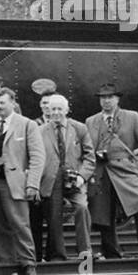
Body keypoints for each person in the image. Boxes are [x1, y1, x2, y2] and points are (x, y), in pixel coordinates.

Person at [84, 83, 138, 267]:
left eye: (110, 97)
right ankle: (111, 253)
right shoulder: (91, 121)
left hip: (127, 169)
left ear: (118, 99)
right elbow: (86, 149)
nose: (106, 101)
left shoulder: (132, 117)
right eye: (103, 98)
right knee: (104, 213)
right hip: (102, 170)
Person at [0, 86, 45, 275]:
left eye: (2, 102)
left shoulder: (27, 124)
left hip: (14, 183)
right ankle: (6, 261)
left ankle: (28, 261)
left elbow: (37, 156)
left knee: (20, 223)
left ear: (13, 103)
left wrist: (32, 183)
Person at [34, 93, 94, 261]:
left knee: (82, 207)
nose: (56, 113)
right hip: (51, 179)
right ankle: (57, 255)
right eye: (53, 109)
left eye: (60, 109)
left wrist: (82, 176)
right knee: (53, 215)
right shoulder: (40, 131)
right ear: (48, 110)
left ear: (67, 110)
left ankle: (85, 252)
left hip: (75, 178)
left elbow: (90, 156)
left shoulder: (79, 128)